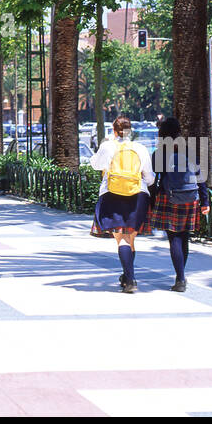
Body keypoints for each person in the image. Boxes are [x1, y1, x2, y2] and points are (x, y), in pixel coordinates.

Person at [90, 116, 155, 293]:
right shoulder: (140, 148)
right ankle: (127, 276)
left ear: (113, 129)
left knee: (121, 239)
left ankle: (131, 279)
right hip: (138, 194)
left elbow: (96, 165)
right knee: (130, 238)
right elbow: (149, 177)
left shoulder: (108, 146)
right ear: (130, 130)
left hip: (112, 194)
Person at [147, 116, 210, 291]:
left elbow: (155, 179)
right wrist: (205, 200)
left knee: (173, 236)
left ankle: (180, 278)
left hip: (168, 197)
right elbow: (200, 177)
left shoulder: (159, 153)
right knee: (184, 236)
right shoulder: (188, 150)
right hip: (191, 197)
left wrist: (151, 202)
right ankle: (181, 275)